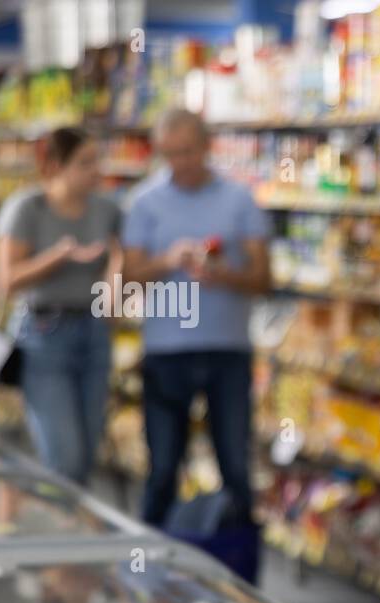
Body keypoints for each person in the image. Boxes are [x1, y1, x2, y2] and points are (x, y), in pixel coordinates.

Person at [120, 108, 271, 529]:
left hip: (228, 350)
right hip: (166, 352)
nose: (180, 163)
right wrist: (169, 260)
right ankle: (146, 568)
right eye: (169, 154)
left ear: (207, 147)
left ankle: (241, 574)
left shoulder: (240, 200)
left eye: (187, 152)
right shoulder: (144, 202)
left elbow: (264, 280)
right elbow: (129, 277)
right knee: (164, 467)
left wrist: (223, 274)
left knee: (236, 467)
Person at [0, 127, 122, 485]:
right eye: (84, 163)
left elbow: (121, 261)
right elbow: (7, 278)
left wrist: (116, 284)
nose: (95, 170)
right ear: (55, 166)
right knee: (64, 458)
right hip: (44, 334)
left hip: (94, 331)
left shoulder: (107, 209)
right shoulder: (27, 209)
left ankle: (71, 531)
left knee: (86, 453)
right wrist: (59, 255)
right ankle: (64, 530)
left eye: (97, 160)